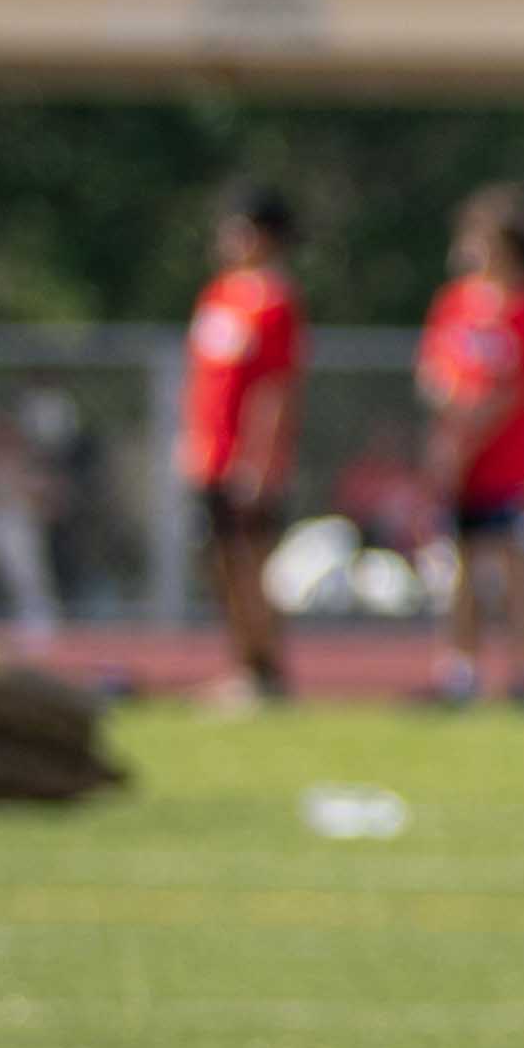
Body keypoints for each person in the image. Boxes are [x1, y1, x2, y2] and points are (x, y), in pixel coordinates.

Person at [417, 188, 524, 710]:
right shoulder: (455, 302)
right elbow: (434, 368)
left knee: (512, 565)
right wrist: (450, 427)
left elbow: (515, 387)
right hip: (459, 457)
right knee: (458, 564)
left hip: (507, 458)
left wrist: (473, 425)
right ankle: (460, 667)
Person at [176, 186, 308, 701]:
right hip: (208, 453)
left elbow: (275, 389)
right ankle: (242, 665)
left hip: (246, 459)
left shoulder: (275, 302)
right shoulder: (219, 294)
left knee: (250, 562)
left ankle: (266, 671)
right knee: (221, 563)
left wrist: (259, 459)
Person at [0, 398, 57, 649]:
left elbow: (45, 497)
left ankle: (39, 634)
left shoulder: (27, 457)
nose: (0, 434)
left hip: (12, 521)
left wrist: (20, 490)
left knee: (23, 565)